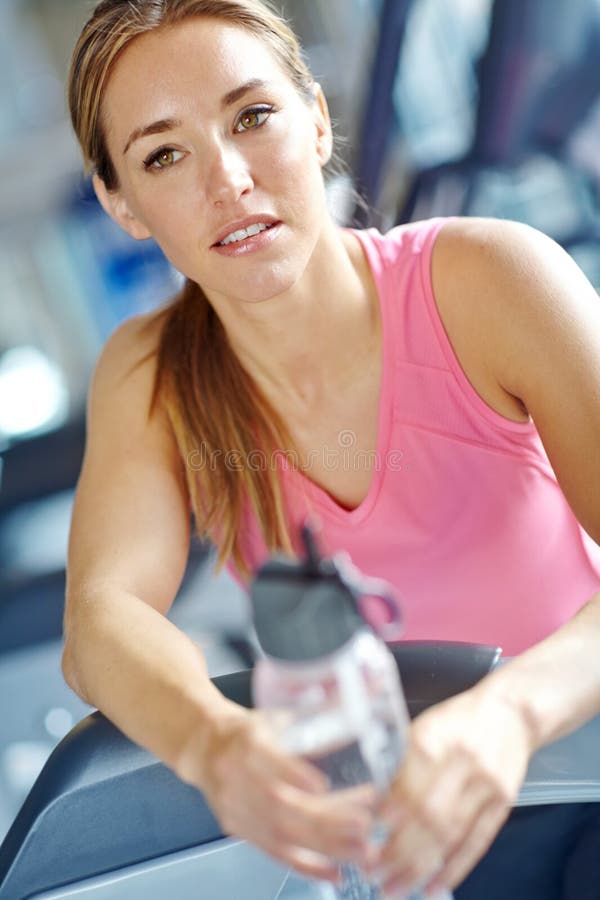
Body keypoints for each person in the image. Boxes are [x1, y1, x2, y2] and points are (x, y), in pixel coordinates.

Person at [64, 0, 600, 896]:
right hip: (413, 832)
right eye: (164, 154)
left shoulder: (492, 279)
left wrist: (506, 714)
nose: (227, 179)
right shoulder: (151, 376)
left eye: (252, 116)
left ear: (316, 119)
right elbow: (102, 622)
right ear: (122, 204)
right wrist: (215, 741)